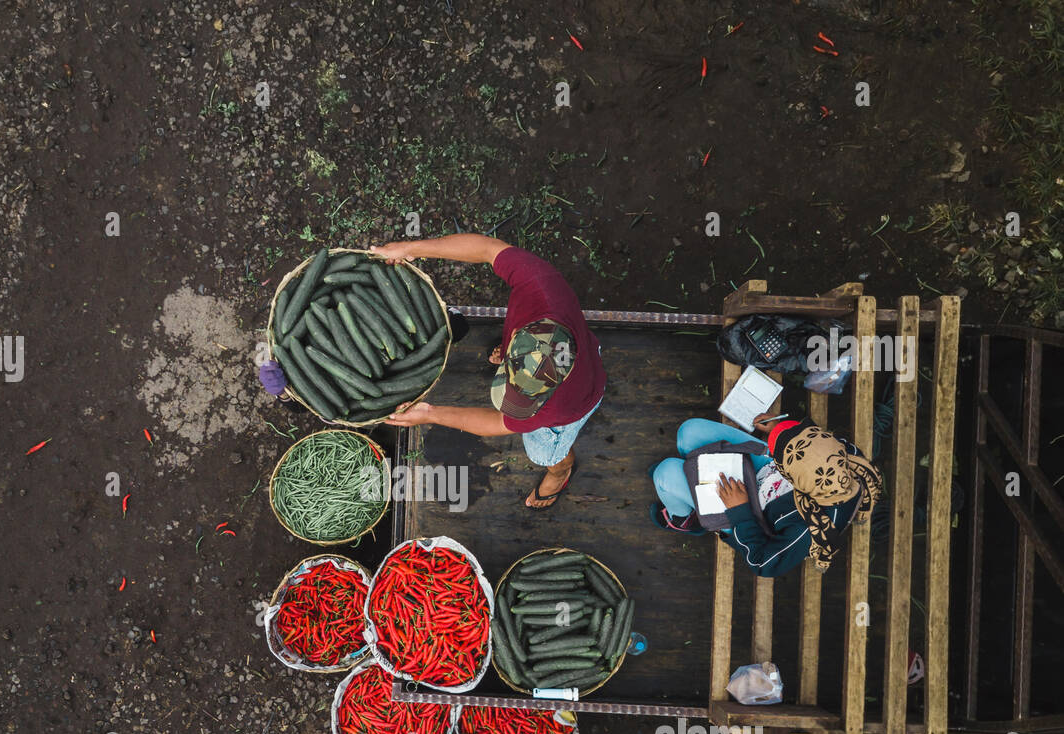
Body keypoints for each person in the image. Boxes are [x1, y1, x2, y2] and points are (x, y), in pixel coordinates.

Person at [369, 234, 606, 510]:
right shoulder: (542, 285)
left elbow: (497, 423)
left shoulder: (551, 408)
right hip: (582, 350)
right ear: (521, 335)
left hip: (578, 403)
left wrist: (430, 413)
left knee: (544, 453)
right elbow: (488, 248)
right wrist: (411, 247)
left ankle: (561, 472)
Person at [650, 415, 883, 578]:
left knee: (666, 472)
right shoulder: (839, 454)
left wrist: (739, 511)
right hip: (768, 475)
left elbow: (763, 563)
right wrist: (780, 429)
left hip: (752, 514)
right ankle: (691, 475)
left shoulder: (808, 528)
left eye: (781, 454)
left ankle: (684, 517)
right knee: (688, 432)